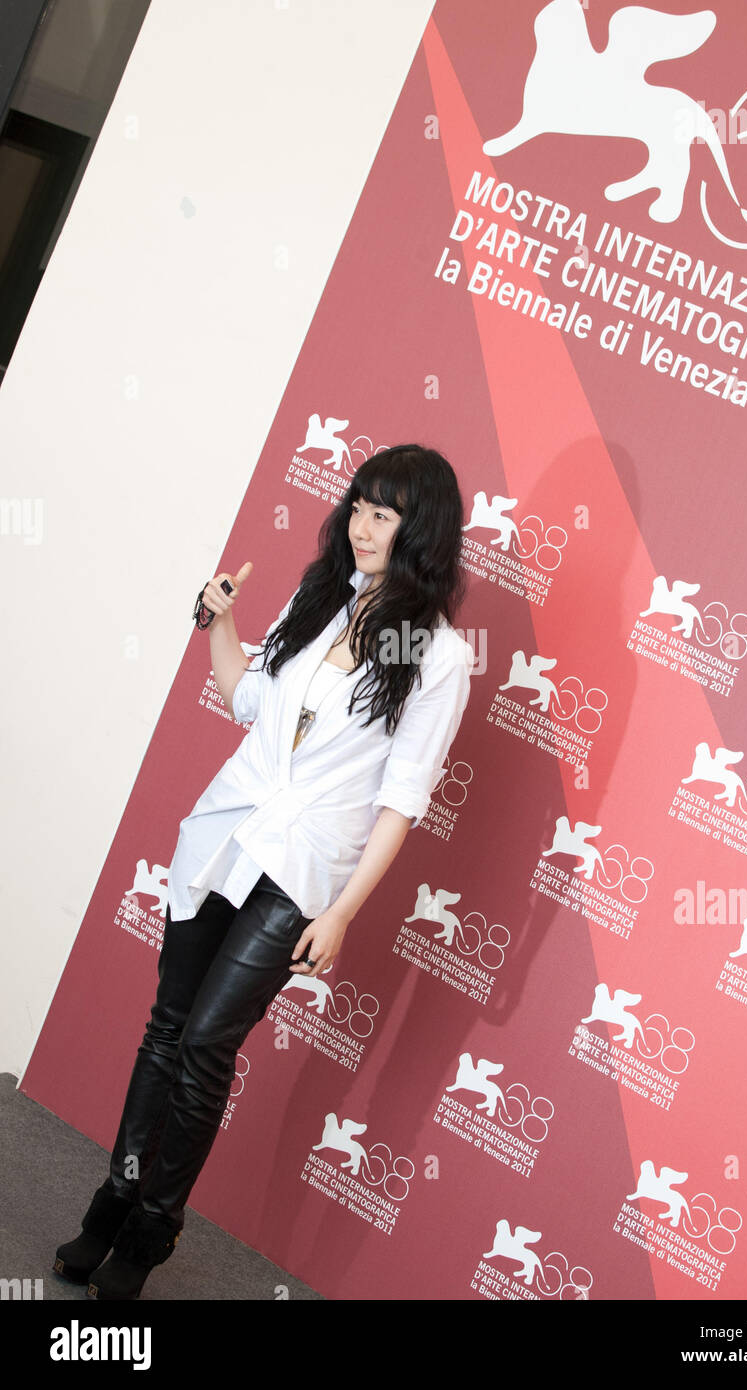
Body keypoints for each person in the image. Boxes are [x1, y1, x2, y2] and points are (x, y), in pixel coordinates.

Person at [53, 443, 475, 1300]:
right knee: (167, 1027)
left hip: (304, 868)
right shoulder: (320, 596)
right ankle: (112, 1202)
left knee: (207, 1044)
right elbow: (245, 699)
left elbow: (401, 802)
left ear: (421, 530)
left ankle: (150, 1230)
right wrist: (220, 622)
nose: (362, 527)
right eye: (359, 506)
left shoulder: (437, 656)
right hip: (228, 833)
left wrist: (343, 913)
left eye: (384, 515)